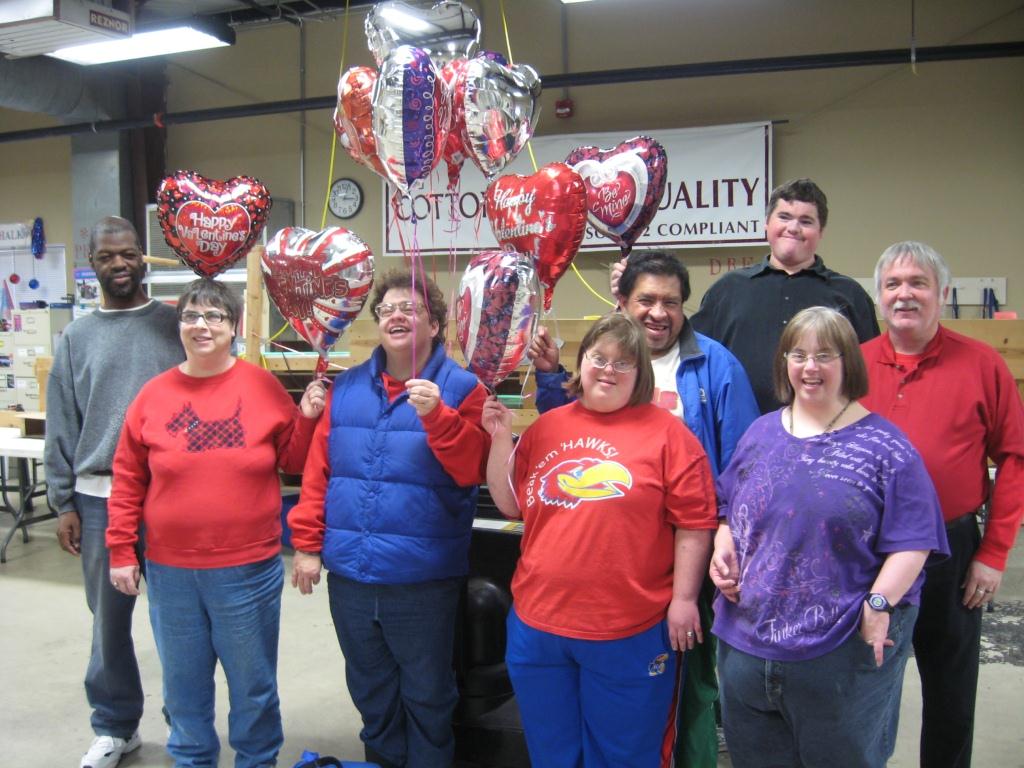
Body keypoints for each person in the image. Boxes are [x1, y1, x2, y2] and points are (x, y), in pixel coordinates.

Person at [530, 249, 758, 766]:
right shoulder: (605, 353)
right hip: (617, 568)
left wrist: (725, 534)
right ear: (623, 301)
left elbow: (744, 465)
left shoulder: (715, 365)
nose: (659, 312)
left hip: (689, 558)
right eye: (646, 300)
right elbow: (570, 434)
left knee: (691, 690)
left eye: (671, 302)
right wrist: (548, 377)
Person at [709, 306, 948, 768]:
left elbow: (914, 540)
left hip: (838, 651)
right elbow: (728, 507)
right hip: (747, 643)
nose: (810, 367)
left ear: (848, 363)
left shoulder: (886, 448)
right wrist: (724, 545)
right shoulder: (760, 433)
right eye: (797, 355)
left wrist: (878, 604)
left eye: (824, 355)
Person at [106, 278, 326, 768]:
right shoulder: (153, 395)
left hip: (247, 570)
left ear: (233, 327)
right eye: (190, 316)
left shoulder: (261, 386)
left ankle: (256, 760)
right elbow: (127, 478)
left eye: (213, 316)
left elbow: (292, 461)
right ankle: (192, 760)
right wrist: (121, 550)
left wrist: (307, 418)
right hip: (171, 572)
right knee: (183, 687)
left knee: (253, 686)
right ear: (178, 325)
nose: (201, 326)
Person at [485, 312, 717, 768]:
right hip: (539, 625)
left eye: (623, 362)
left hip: (628, 629)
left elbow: (695, 523)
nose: (608, 370)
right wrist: (497, 438)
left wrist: (684, 599)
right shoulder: (547, 427)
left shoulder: (670, 436)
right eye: (598, 357)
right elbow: (511, 504)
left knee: (624, 755)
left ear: (640, 372)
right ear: (582, 362)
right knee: (552, 754)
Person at [288, 271, 490, 768]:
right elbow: (318, 473)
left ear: (436, 325)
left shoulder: (464, 389)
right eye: (387, 309)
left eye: (411, 308)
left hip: (422, 580)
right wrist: (307, 545)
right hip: (351, 576)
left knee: (428, 696)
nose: (396, 316)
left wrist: (438, 417)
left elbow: (473, 469)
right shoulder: (346, 388)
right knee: (370, 691)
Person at [860, 242, 1024, 768]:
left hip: (950, 548)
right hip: (866, 551)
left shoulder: (982, 364)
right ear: (879, 295)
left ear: (943, 293)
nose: (904, 294)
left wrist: (993, 553)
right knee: (861, 684)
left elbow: (1015, 458)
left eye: (918, 283)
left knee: (951, 689)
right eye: (893, 284)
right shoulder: (853, 364)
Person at [44, 216, 184, 768]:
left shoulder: (175, 325)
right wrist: (63, 502)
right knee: (108, 622)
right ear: (93, 264)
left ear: (142, 256)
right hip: (99, 499)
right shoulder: (76, 338)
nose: (119, 264)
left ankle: (187, 725)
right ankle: (115, 726)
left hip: (170, 495)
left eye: (128, 253)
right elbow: (63, 420)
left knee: (177, 620)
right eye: (107, 256)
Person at [684, 177, 879, 413]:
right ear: (766, 223)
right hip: (741, 428)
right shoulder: (726, 290)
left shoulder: (851, 296)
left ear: (821, 232)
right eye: (784, 217)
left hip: (828, 428)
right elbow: (694, 362)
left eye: (806, 221)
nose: (793, 228)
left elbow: (870, 373)